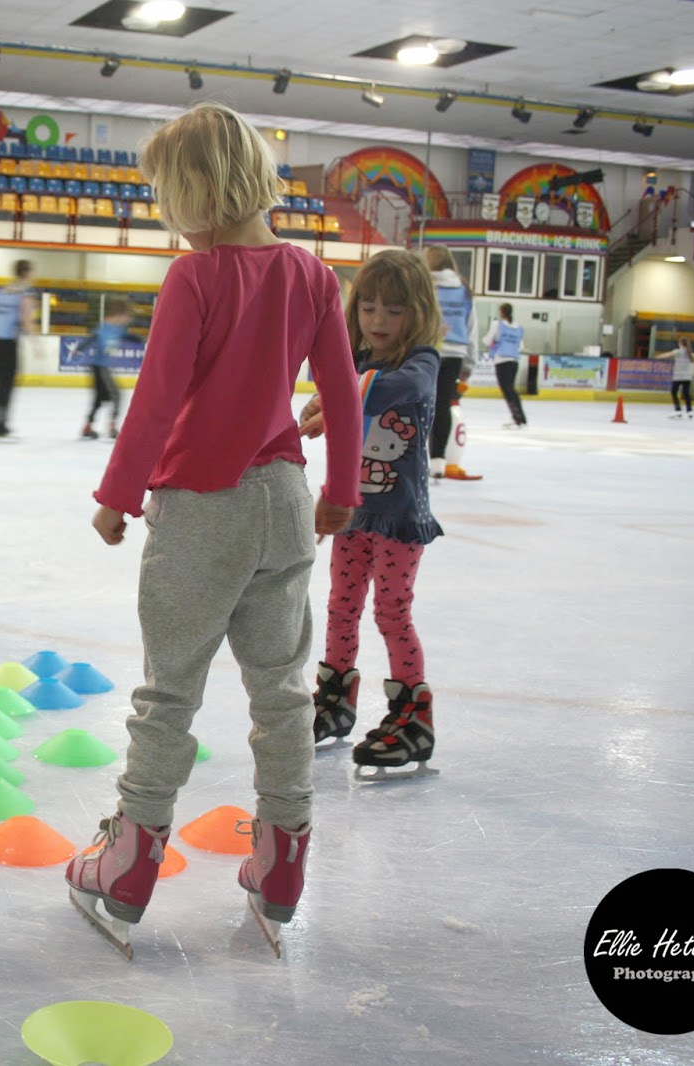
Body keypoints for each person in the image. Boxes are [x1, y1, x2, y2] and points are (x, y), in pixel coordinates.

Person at [63, 102, 363, 951]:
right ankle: (282, 865)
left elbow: (157, 399)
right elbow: (342, 393)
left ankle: (128, 863)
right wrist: (340, 488)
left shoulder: (193, 279)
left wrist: (117, 495)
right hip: (287, 505)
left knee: (170, 691)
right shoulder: (314, 274)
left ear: (196, 191)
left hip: (203, 507)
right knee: (282, 691)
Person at [304, 251, 444, 775]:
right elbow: (347, 436)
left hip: (401, 519)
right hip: (356, 516)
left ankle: (412, 715)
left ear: (419, 312)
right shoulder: (358, 366)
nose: (378, 322)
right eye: (368, 309)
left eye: (394, 310)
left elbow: (398, 391)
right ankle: (335, 700)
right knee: (342, 606)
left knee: (391, 612)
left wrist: (332, 395)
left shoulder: (421, 363)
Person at [422, 247, 476, 477]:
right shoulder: (464, 289)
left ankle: (416, 456)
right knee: (443, 405)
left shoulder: (424, 285)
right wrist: (469, 364)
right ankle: (438, 461)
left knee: (421, 403)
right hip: (456, 352)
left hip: (428, 348)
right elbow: (472, 326)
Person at [0, 259, 36, 438]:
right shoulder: (25, 292)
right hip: (9, 342)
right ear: (27, 273)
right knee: (8, 384)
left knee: (0, 384)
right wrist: (36, 342)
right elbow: (25, 319)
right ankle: (0, 425)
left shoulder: (1, 290)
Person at [81, 296, 134, 440]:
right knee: (116, 395)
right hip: (99, 367)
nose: (128, 320)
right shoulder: (104, 328)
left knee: (99, 399)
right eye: (127, 316)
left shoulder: (119, 330)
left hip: (103, 367)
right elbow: (91, 338)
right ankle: (112, 427)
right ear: (119, 315)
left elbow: (131, 337)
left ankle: (87, 427)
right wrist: (79, 348)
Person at [482, 303, 528, 428]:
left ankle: (517, 418)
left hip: (502, 360)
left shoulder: (497, 325)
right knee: (511, 389)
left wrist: (493, 344)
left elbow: (487, 340)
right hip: (514, 360)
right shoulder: (518, 327)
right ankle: (519, 417)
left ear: (502, 312)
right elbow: (521, 346)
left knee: (508, 390)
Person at [653, 339, 694, 418]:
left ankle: (677, 409)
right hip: (687, 376)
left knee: (674, 392)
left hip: (678, 376)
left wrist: (658, 356)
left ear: (680, 343)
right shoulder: (689, 353)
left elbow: (668, 354)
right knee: (686, 394)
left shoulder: (678, 351)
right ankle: (690, 411)